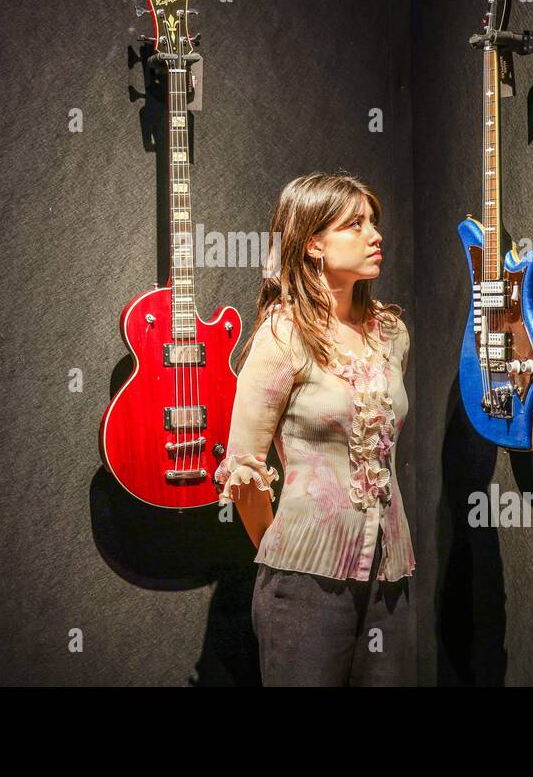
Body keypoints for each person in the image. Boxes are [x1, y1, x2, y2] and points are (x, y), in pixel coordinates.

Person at [214, 171, 415, 686]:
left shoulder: (390, 334)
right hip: (305, 583)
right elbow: (244, 470)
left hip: (390, 575)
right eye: (355, 225)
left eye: (373, 222)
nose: (375, 235)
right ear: (312, 244)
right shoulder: (284, 336)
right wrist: (285, 554)